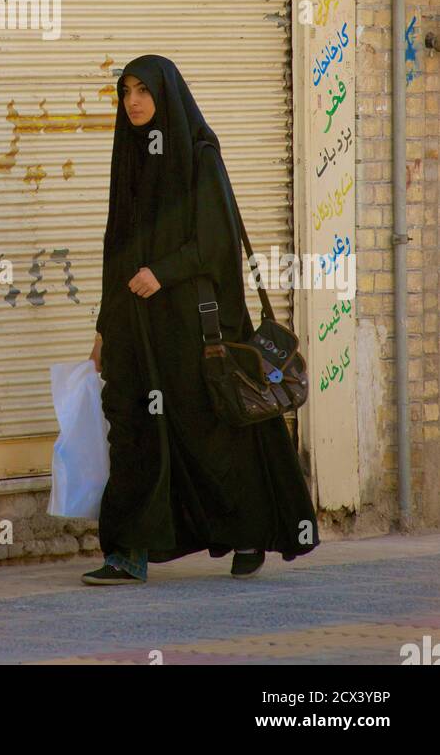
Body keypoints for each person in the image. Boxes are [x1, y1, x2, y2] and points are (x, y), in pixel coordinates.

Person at [81, 54, 320, 585]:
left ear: (167, 94)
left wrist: (161, 274)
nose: (134, 102)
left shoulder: (199, 155)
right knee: (132, 428)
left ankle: (249, 530)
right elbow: (114, 249)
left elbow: (215, 242)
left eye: (144, 91)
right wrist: (103, 327)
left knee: (212, 434)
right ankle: (128, 551)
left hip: (190, 326)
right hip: (135, 325)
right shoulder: (130, 155)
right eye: (126, 92)